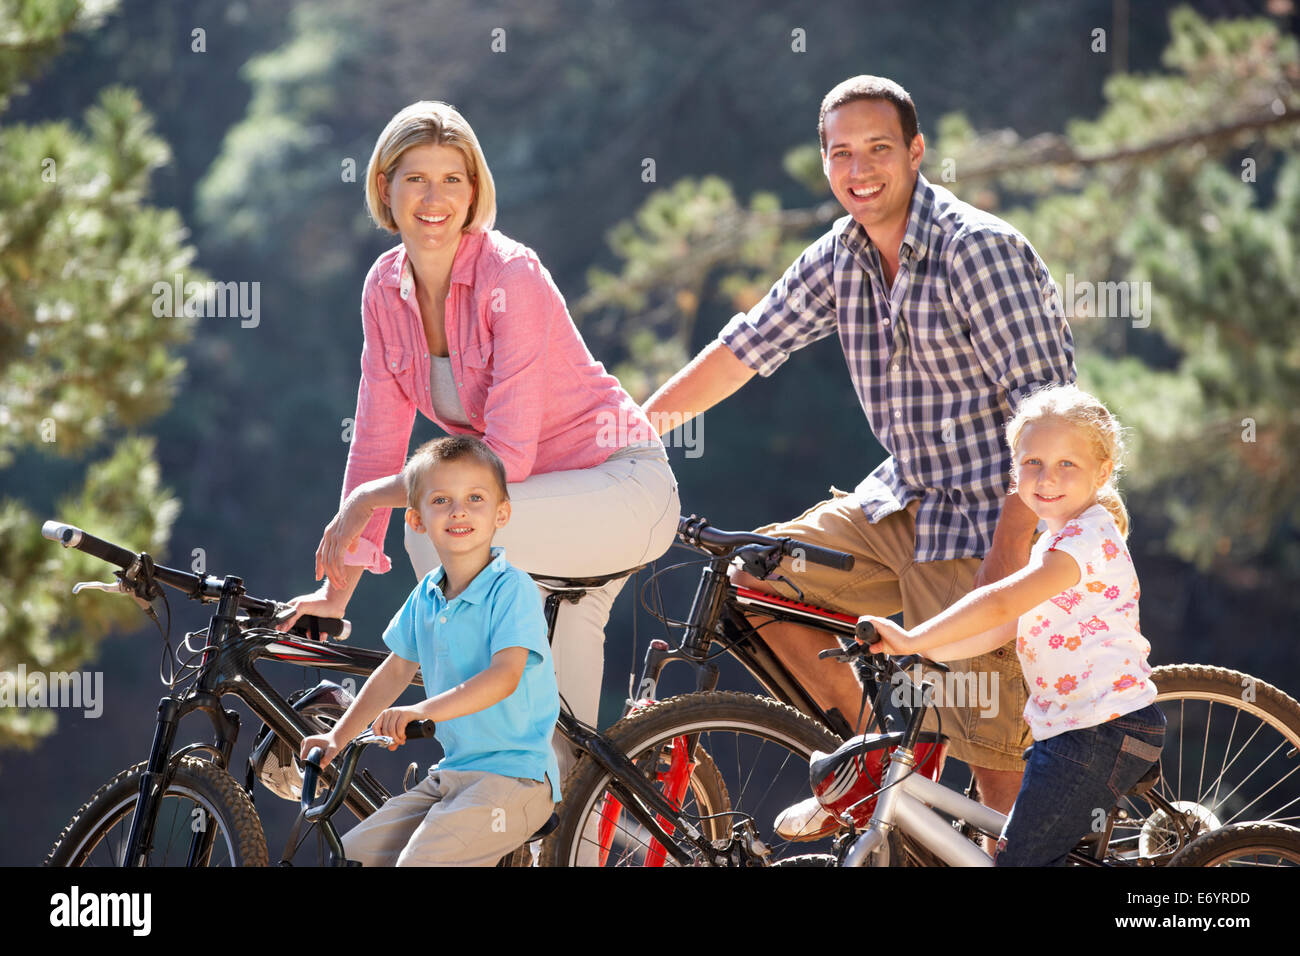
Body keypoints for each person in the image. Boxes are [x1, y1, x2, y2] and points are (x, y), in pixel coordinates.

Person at [642, 75, 1075, 837]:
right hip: (904, 498)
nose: (859, 169)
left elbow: (1051, 420)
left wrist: (1008, 555)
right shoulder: (841, 255)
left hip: (998, 512)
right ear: (825, 163)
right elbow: (743, 350)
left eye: (878, 149)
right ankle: (873, 758)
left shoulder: (979, 250)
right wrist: (632, 437)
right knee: (756, 583)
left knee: (996, 775)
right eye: (841, 153)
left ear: (916, 152)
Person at [280, 102, 680, 767]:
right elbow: (377, 437)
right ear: (385, 188)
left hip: (620, 491)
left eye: (452, 180)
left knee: (432, 519)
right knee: (558, 765)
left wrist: (367, 503)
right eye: (416, 180)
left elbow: (505, 460)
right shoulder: (385, 287)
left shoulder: (510, 275)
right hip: (538, 521)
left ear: (475, 192)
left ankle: (444, 703)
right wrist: (336, 591)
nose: (434, 199)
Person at [861, 385, 1164, 866]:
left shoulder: (1085, 541)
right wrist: (929, 653)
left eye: (1068, 464)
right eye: (1032, 463)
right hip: (1069, 732)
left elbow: (1001, 604)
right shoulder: (1054, 540)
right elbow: (1007, 629)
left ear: (1103, 472)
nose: (1047, 478)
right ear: (1014, 468)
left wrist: (915, 634)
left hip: (1100, 732)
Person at [299, 436, 561, 866]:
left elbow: (505, 676)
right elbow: (396, 670)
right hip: (452, 776)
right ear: (417, 519)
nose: (459, 511)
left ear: (502, 513)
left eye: (475, 498)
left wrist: (424, 711)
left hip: (515, 780)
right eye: (442, 500)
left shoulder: (511, 589)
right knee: (347, 857)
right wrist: (336, 737)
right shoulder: (427, 594)